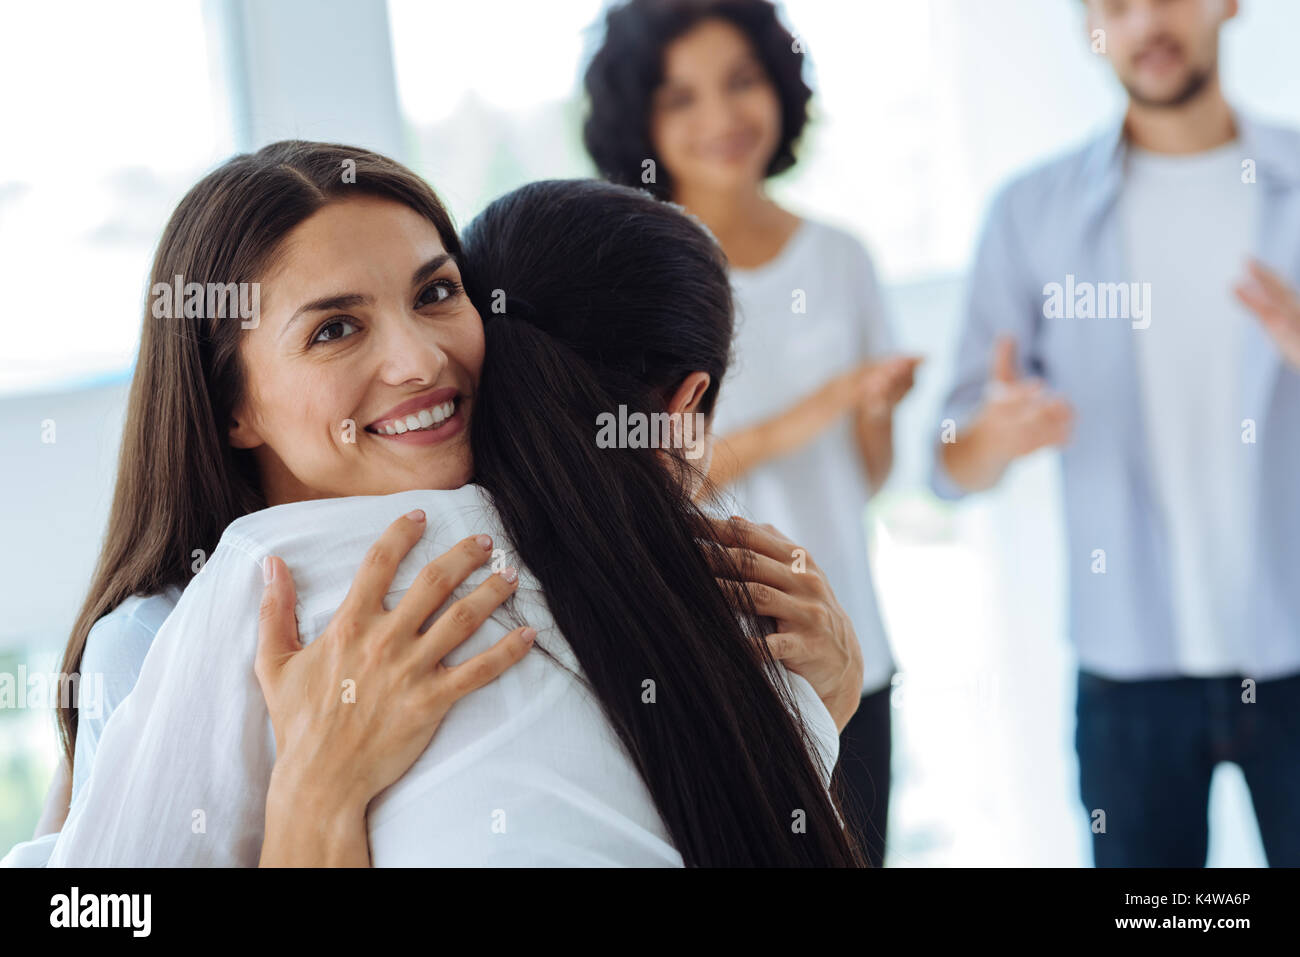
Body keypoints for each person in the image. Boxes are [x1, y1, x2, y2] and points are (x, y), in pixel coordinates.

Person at [12, 143, 867, 866]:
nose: (420, 360)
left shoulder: (566, 544)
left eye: (435, 293)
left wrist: (813, 705)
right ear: (231, 405)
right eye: (334, 328)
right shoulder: (180, 624)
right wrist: (315, 795)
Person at [932, 0, 1300, 866]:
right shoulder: (1029, 213)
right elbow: (949, 462)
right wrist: (996, 432)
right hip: (1128, 674)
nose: (1146, 24)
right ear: (1089, 27)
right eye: (1115, 6)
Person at [583, 0, 919, 866]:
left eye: (741, 82)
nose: (722, 118)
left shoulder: (841, 257)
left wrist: (870, 409)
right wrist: (816, 410)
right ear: (641, 119)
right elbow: (639, 476)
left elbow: (868, 476)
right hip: (708, 658)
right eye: (681, 97)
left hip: (851, 647)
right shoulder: (634, 276)